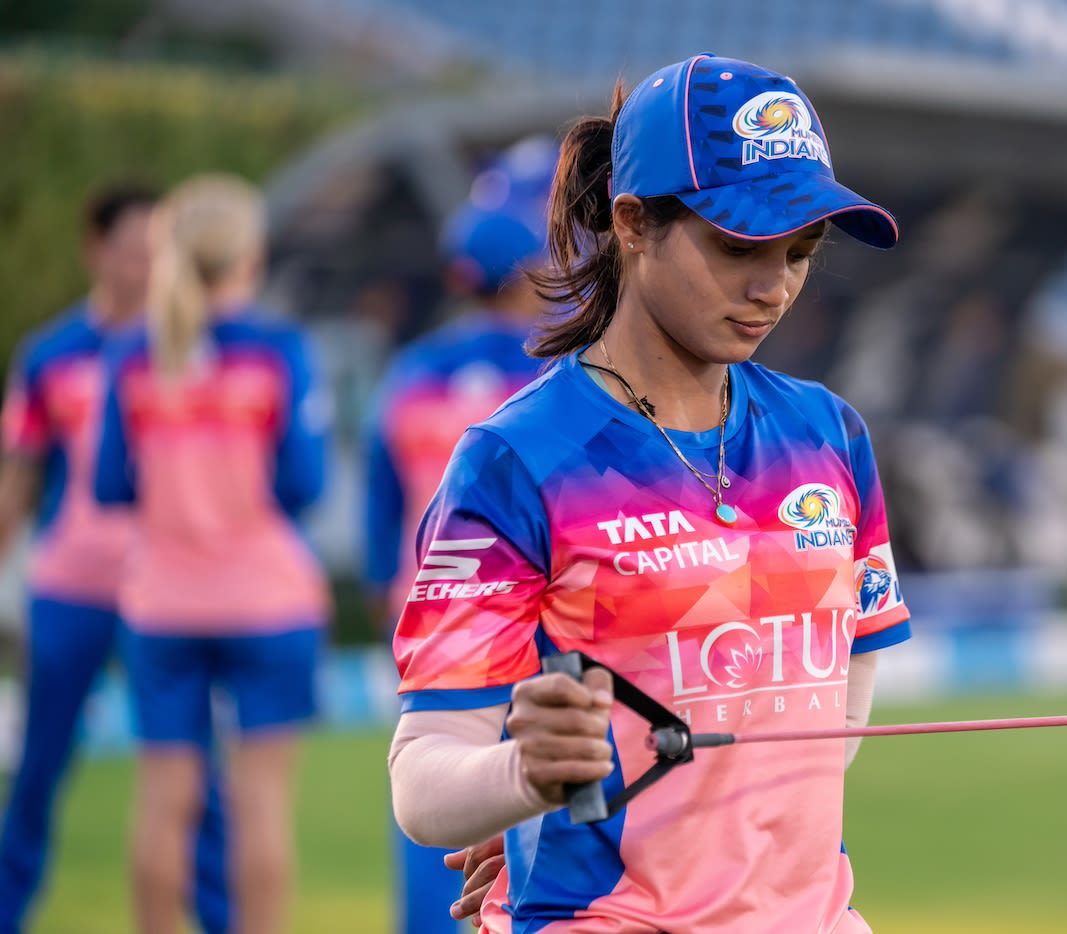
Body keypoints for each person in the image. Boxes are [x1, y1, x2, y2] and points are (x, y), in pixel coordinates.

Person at [389, 53, 910, 933]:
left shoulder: (832, 436)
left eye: (801, 252)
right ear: (633, 224)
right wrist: (520, 783)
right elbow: (424, 767)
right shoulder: (518, 459)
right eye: (740, 245)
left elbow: (836, 707)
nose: (773, 286)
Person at [93, 174, 330, 934]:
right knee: (260, 802)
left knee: (164, 799)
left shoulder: (133, 356)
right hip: (267, 601)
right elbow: (303, 482)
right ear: (248, 257)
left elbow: (107, 483)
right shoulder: (279, 349)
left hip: (162, 603)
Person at [0, 184, 230, 934]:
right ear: (95, 251)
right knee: (38, 774)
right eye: (131, 251)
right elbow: (18, 477)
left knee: (196, 780)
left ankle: (229, 919)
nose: (144, 267)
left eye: (156, 252)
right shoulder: (49, 355)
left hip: (166, 594)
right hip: (71, 588)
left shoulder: (197, 352)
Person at [363, 138, 556, 934]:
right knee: (548, 807)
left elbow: (378, 512)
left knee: (433, 794)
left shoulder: (410, 372)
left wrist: (393, 605)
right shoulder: (568, 372)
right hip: (538, 623)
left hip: (433, 622)